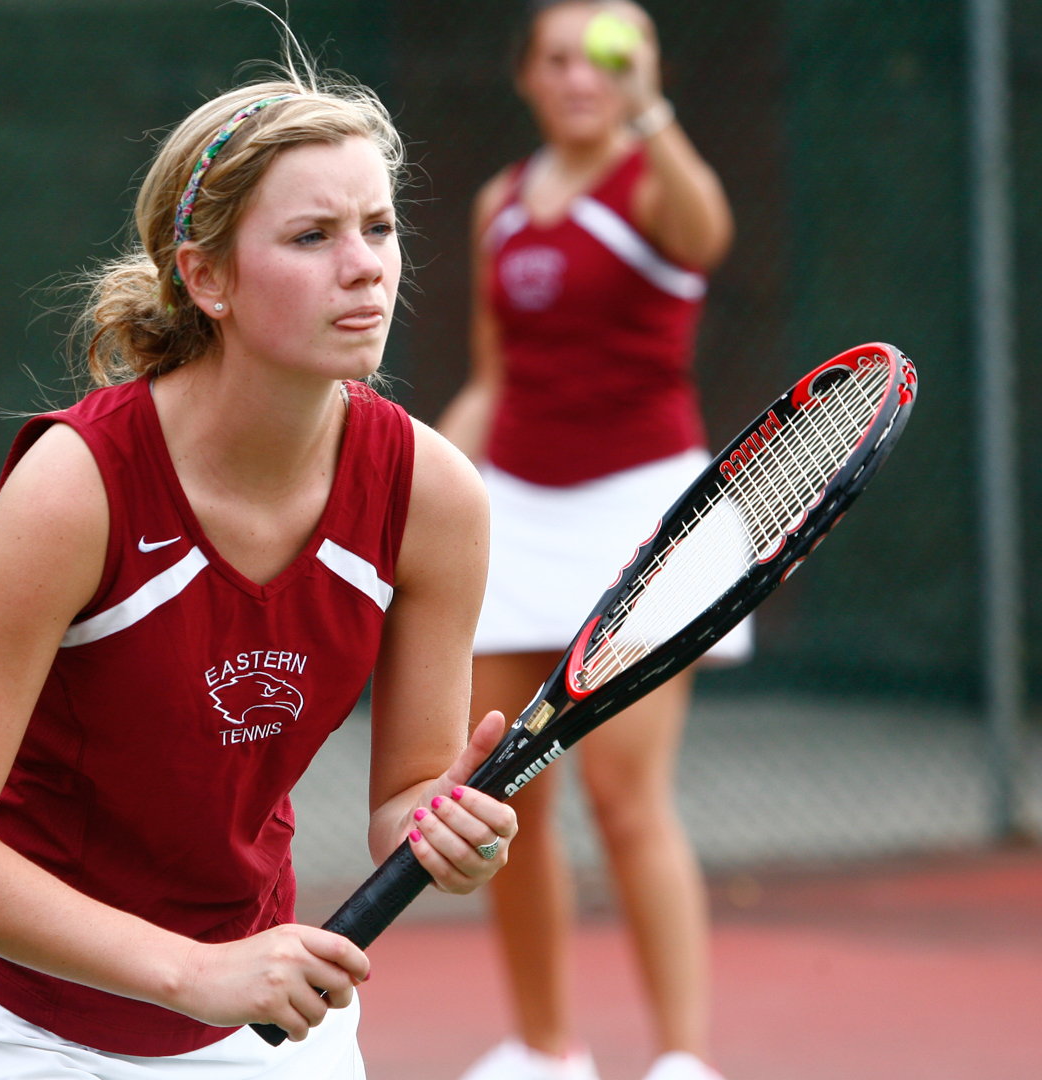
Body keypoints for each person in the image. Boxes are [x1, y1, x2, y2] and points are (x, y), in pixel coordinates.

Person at [0, 58, 519, 1080]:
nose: (366, 266)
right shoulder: (77, 489)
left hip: (252, 1013)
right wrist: (189, 971)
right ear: (205, 277)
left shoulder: (433, 498)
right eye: (312, 237)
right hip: (10, 1015)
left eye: (379, 228)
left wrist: (446, 835)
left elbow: (405, 793)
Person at [435, 3, 742, 1079]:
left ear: (638, 72)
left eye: (604, 61)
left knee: (623, 794)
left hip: (646, 517)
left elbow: (705, 235)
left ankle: (682, 1060)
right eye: (557, 58)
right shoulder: (501, 208)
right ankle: (544, 1050)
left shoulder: (657, 182)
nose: (579, 79)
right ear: (525, 74)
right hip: (517, 512)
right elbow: (493, 379)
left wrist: (651, 105)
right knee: (500, 789)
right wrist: (424, 479)